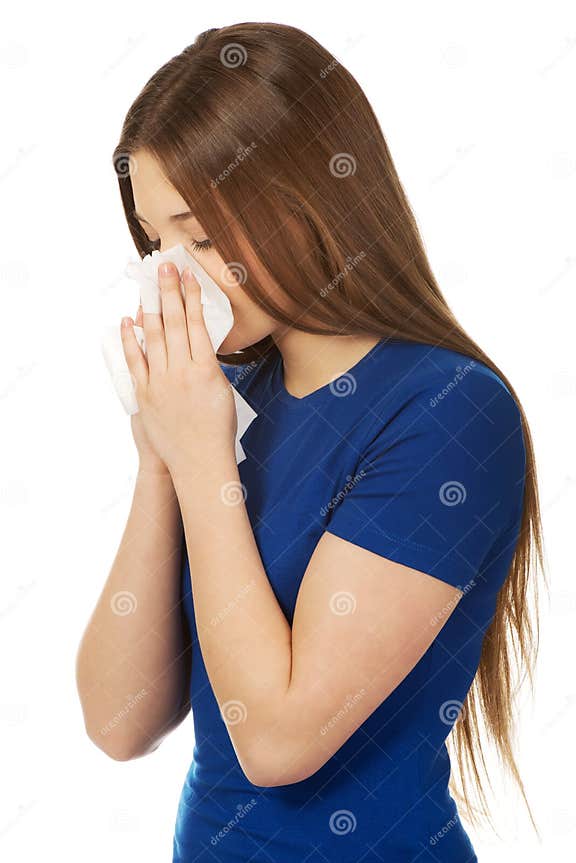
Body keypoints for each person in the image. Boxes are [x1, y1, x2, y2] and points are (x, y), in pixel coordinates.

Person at [75, 22, 547, 862]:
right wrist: (162, 453)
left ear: (312, 198)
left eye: (205, 236)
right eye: (155, 241)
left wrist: (205, 460)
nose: (171, 274)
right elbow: (118, 719)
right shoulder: (223, 407)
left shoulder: (448, 410)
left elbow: (280, 741)